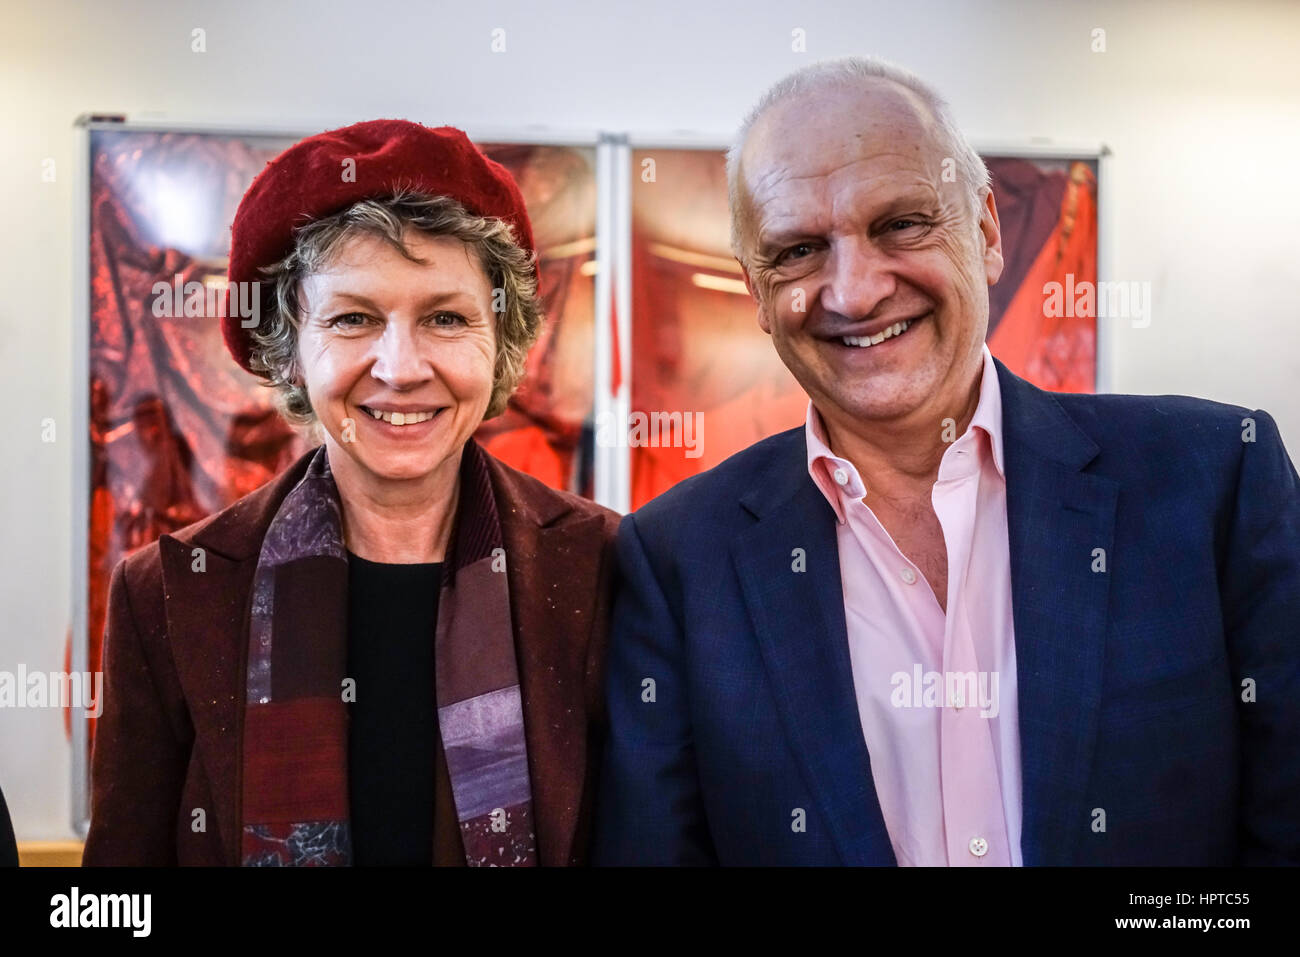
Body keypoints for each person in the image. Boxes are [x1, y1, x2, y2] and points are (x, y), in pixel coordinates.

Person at [593, 57, 1300, 865]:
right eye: (797, 250)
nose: (854, 292)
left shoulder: (1213, 483)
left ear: (988, 233)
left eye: (900, 224)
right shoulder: (679, 560)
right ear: (757, 293)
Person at [82, 120, 619, 866]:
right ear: (290, 350)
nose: (400, 368)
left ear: (500, 340)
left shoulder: (607, 569)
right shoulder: (169, 594)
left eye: (446, 317)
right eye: (353, 318)